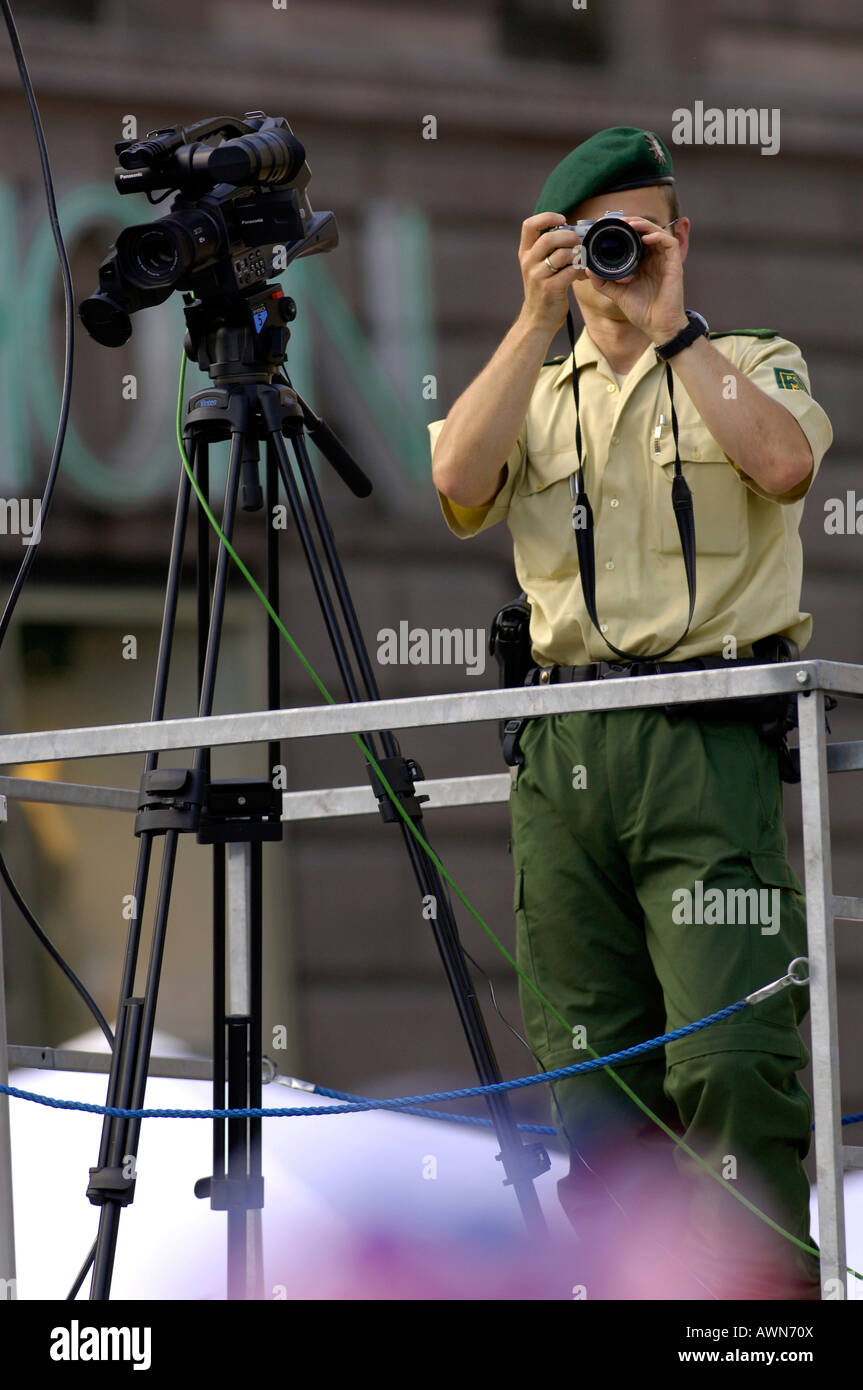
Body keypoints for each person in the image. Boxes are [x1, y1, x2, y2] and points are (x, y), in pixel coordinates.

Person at [428, 126, 833, 1299]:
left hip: (705, 729)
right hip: (561, 749)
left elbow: (781, 467)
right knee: (587, 1069)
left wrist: (674, 328)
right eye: (589, 239)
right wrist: (527, 320)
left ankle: (757, 1317)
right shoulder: (536, 388)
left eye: (636, 232)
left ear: (678, 235)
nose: (615, 256)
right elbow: (455, 479)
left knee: (729, 1053)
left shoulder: (749, 357)